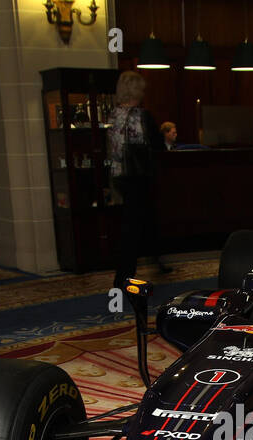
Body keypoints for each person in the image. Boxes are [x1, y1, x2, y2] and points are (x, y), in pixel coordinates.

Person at [107, 71, 170, 289]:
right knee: (135, 225)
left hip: (119, 176)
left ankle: (153, 258)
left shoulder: (114, 116)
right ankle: (125, 275)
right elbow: (158, 146)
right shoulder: (142, 117)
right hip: (138, 176)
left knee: (136, 221)